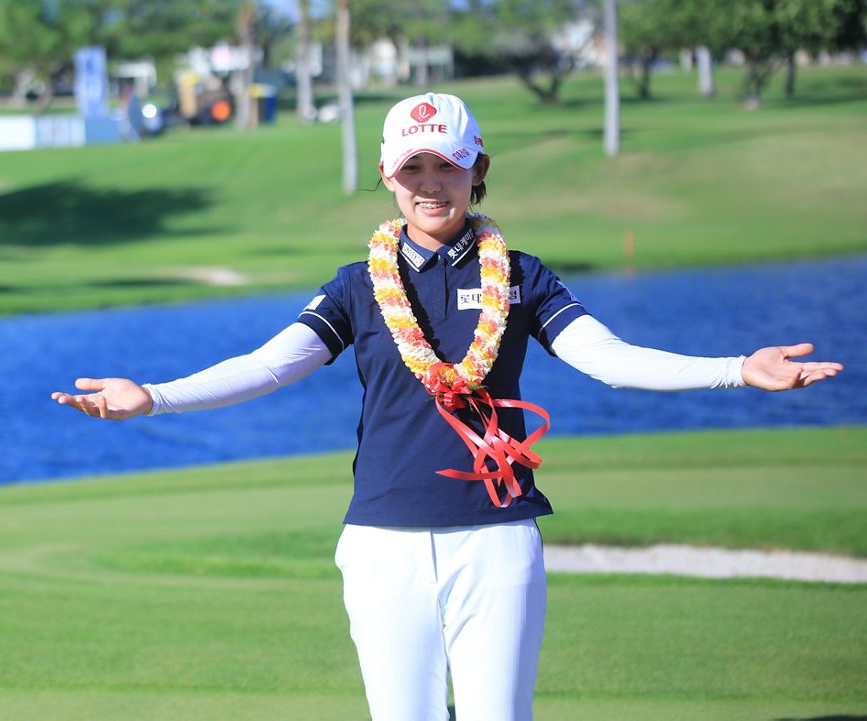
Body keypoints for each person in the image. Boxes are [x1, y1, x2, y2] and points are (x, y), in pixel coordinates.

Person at [51, 92, 843, 721]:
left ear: (477, 170)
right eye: (413, 167)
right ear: (390, 177)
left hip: (495, 539)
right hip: (383, 542)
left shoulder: (524, 275)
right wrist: (152, 396)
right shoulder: (357, 285)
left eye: (447, 166)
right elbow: (268, 366)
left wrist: (738, 367)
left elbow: (609, 359)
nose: (430, 184)